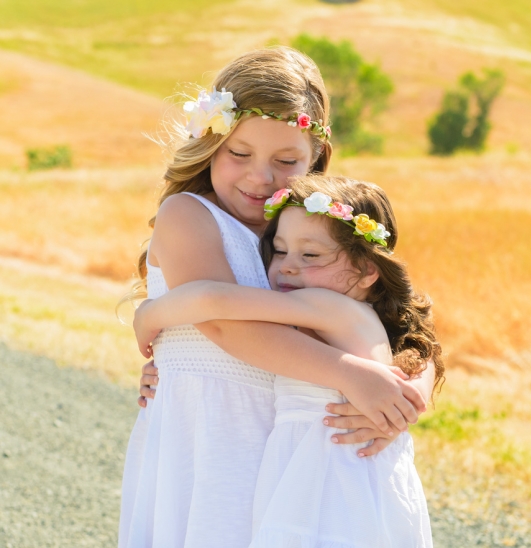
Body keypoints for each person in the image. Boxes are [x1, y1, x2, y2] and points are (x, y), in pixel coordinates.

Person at [119, 47, 432, 548]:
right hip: (212, 438)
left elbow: (398, 322)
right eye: (238, 154)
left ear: (316, 160)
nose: (260, 177)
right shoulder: (189, 215)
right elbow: (223, 325)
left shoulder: (312, 235)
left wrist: (400, 400)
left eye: (286, 161)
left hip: (295, 446)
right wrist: (348, 373)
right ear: (209, 143)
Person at [133, 176, 444, 547]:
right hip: (354, 477)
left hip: (330, 480)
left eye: (310, 255)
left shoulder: (329, 307)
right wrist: (176, 359)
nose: (288, 267)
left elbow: (214, 300)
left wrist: (149, 315)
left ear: (367, 271)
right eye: (278, 251)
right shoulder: (355, 315)